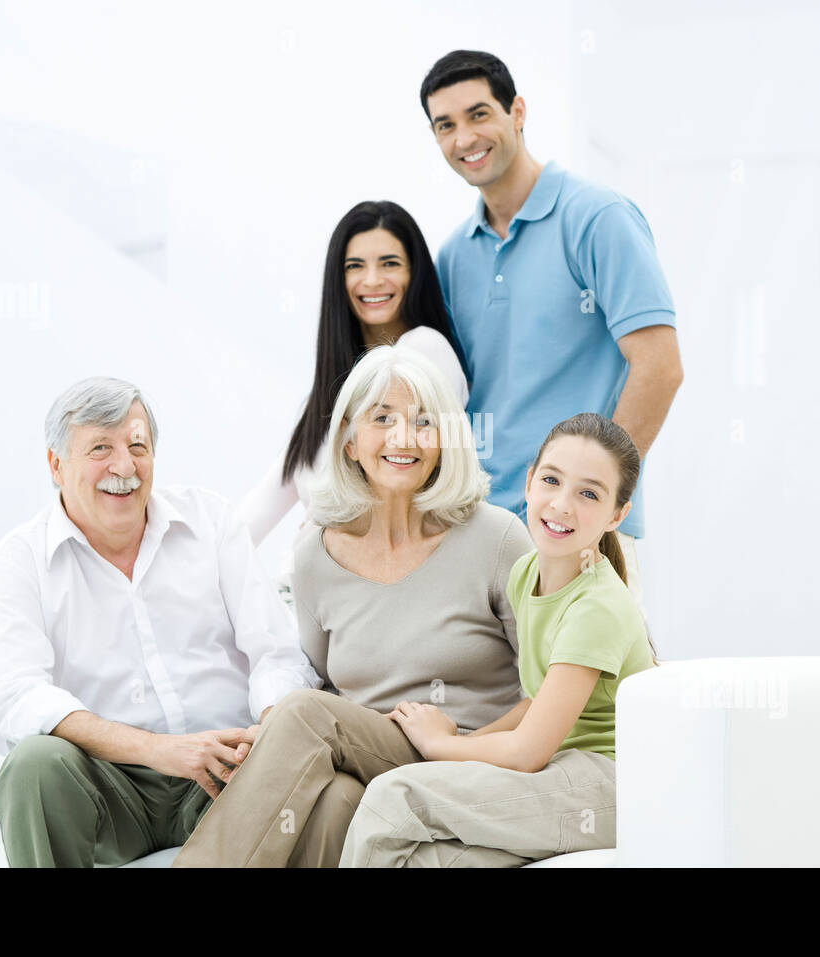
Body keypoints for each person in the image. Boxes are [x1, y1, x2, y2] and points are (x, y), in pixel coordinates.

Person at [173, 345, 533, 867]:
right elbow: (322, 680)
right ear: (347, 438)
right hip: (370, 762)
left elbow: (548, 690)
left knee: (303, 715)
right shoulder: (315, 553)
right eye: (382, 418)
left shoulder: (496, 537)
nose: (403, 438)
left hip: (470, 755)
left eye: (423, 422)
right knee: (336, 802)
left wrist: (455, 746)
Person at [0, 376, 321, 867]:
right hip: (110, 788)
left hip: (226, 773)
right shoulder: (19, 561)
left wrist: (265, 731)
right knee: (33, 766)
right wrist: (157, 750)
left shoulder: (210, 522)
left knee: (305, 761)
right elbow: (13, 698)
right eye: (100, 447)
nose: (124, 466)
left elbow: (277, 652)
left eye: (137, 445)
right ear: (56, 465)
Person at [420, 49, 683, 607]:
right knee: (504, 699)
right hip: (483, 535)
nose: (464, 137)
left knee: (590, 695)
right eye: (446, 125)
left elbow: (660, 367)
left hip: (580, 533)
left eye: (478, 114)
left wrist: (595, 505)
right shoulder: (450, 257)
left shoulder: (596, 218)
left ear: (517, 111)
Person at [341, 413, 655, 867]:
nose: (562, 504)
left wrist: (441, 747)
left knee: (396, 796)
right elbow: (540, 703)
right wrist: (460, 747)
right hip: (563, 771)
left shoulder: (597, 607)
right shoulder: (526, 575)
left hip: (609, 786)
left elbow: (528, 751)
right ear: (529, 483)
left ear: (617, 515)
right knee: (431, 859)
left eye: (589, 493)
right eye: (552, 480)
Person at [237, 201, 469, 584]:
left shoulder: (426, 351)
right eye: (355, 266)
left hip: (382, 591)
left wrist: (316, 532)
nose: (373, 280)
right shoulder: (329, 390)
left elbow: (392, 486)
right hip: (312, 595)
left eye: (390, 263)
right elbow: (261, 506)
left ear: (415, 273)